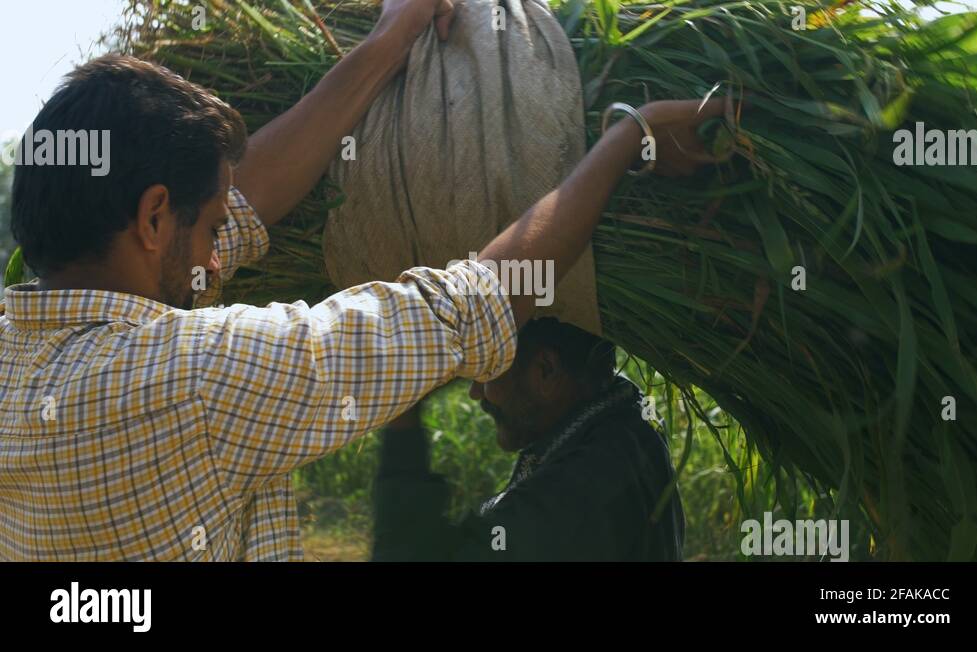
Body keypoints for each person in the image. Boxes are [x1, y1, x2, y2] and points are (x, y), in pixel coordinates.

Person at [0, 0, 724, 560]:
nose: (223, 263)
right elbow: (471, 303)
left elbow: (251, 196)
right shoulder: (194, 376)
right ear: (155, 218)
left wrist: (388, 41)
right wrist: (628, 137)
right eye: (215, 231)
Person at [372, 318, 685, 561]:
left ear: (545, 371)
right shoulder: (621, 415)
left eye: (487, 370)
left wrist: (405, 410)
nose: (475, 392)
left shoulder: (588, 484)